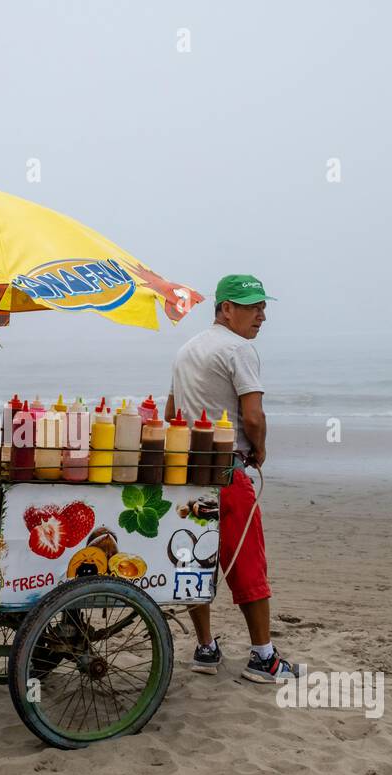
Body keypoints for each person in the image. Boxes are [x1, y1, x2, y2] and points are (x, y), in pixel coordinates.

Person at [166, 274, 299, 683]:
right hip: (227, 470)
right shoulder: (239, 349)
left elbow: (171, 409)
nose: (261, 315)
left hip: (187, 471)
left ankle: (205, 648)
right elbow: (254, 415)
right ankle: (263, 657)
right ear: (226, 308)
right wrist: (260, 449)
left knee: (192, 557)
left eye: (263, 306)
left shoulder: (187, 350)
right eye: (252, 306)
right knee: (247, 562)